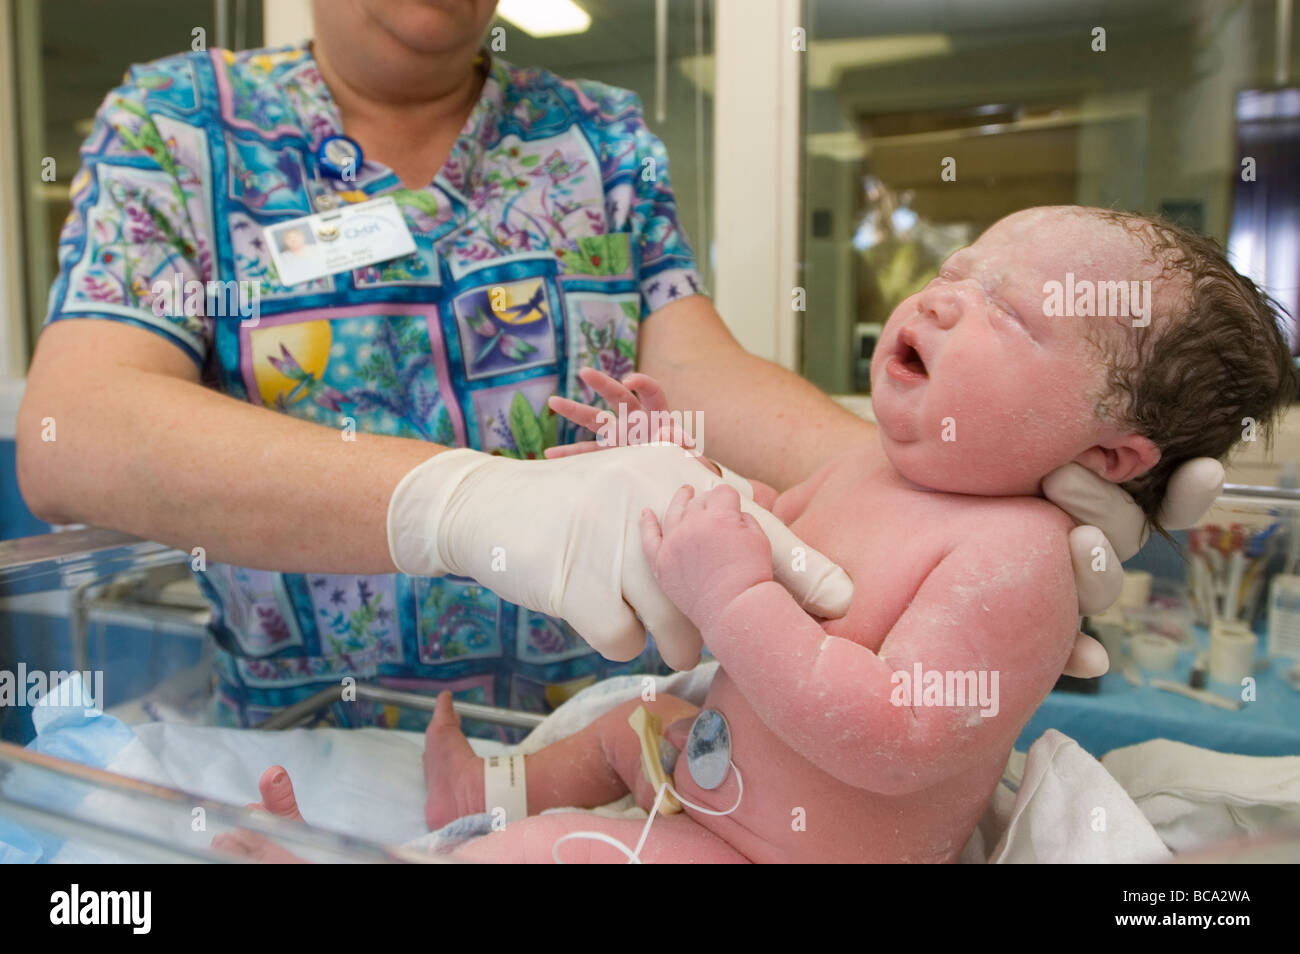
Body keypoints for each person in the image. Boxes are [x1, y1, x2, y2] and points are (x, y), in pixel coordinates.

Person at [16, 0, 1219, 734]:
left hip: (621, 738)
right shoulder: (181, 126)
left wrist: (942, 507)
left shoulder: (593, 137)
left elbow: (691, 367)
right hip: (308, 748)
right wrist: (459, 502)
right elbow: (78, 431)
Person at [409, 207, 1294, 863]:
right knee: (629, 722)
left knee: (554, 853)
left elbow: (897, 736)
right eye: (956, 272)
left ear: (1107, 451)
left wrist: (733, 593)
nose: (943, 303)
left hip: (778, 855)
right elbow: (770, 535)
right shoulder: (876, 465)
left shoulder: (1017, 560)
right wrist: (679, 474)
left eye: (1013, 315)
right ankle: (484, 792)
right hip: (714, 787)